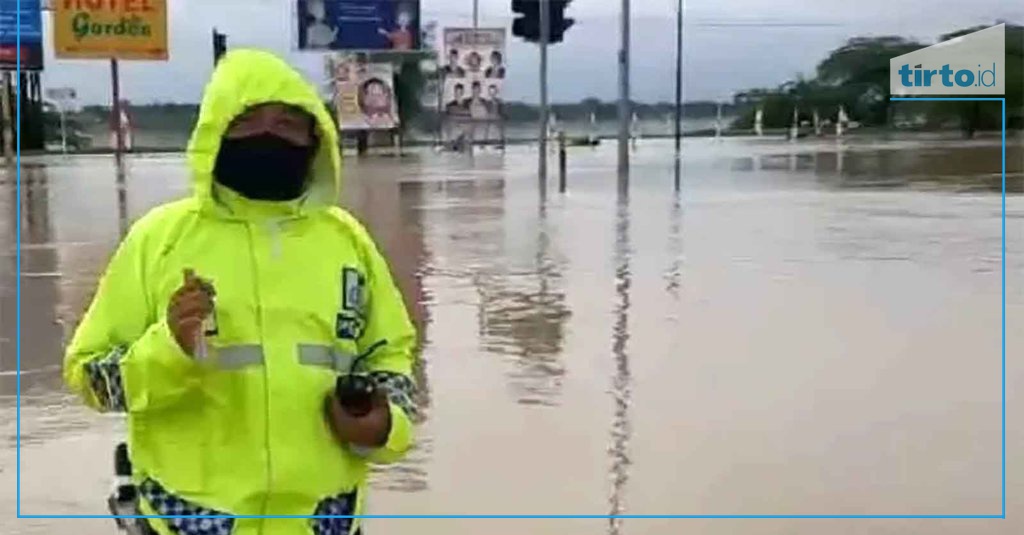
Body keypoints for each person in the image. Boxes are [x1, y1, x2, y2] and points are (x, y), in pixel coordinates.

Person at [63, 49, 418, 535]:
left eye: (289, 125)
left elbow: (391, 358)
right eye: (248, 121)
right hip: (186, 521)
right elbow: (89, 379)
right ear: (215, 132)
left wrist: (383, 427)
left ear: (316, 139)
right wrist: (169, 351)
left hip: (325, 520)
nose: (269, 136)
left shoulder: (348, 242)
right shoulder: (159, 239)